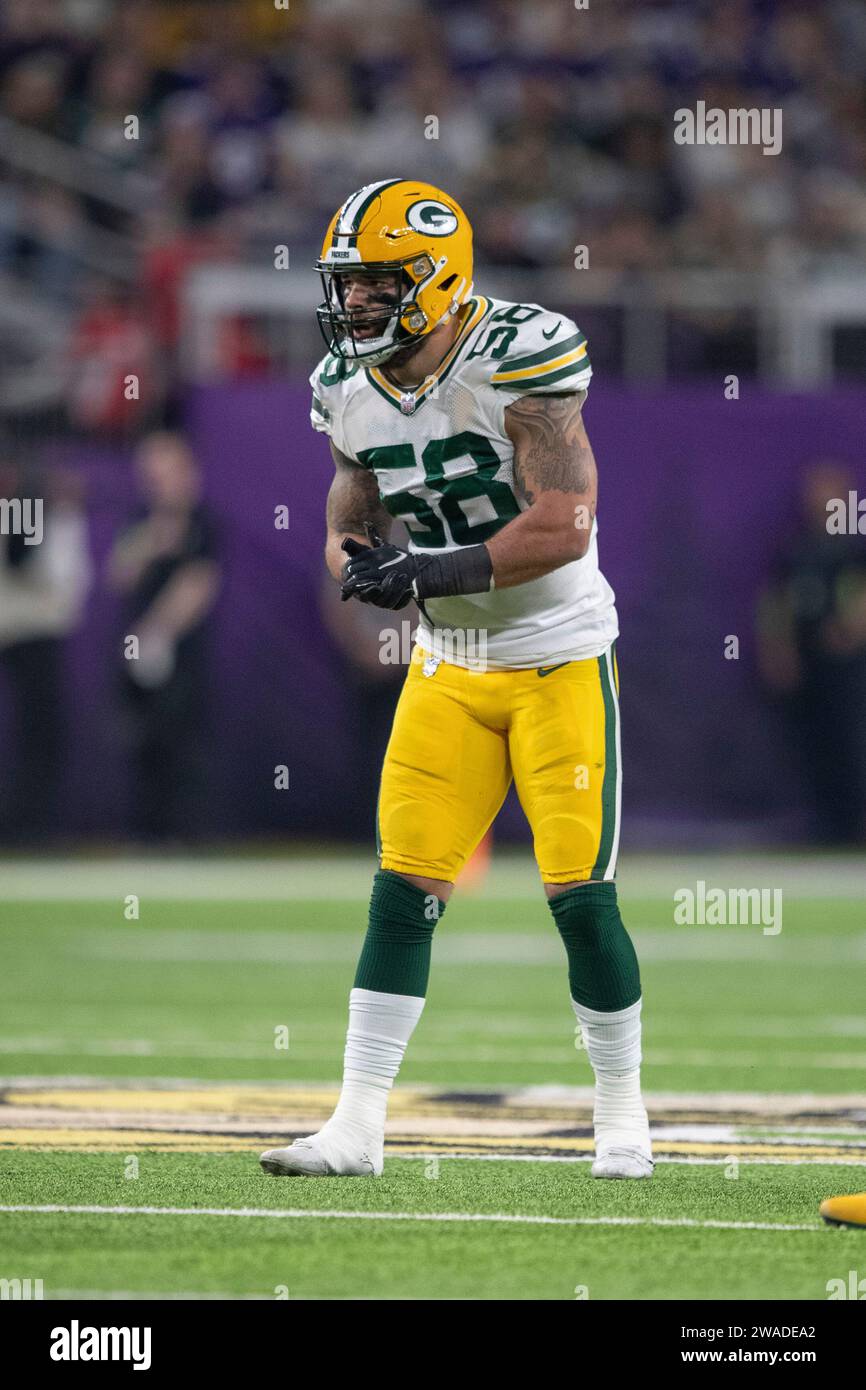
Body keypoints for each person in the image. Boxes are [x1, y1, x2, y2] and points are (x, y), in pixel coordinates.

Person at [261, 179, 651, 1181]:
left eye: (374, 284)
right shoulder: (347, 387)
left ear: (434, 280)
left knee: (579, 897)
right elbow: (347, 504)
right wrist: (353, 559)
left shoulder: (516, 358)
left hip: (557, 653)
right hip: (450, 665)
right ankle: (355, 1125)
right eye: (345, 285)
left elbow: (562, 523)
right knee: (401, 893)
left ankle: (621, 1117)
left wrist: (424, 573)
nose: (352, 305)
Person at [108, 432, 220, 840]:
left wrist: (158, 630)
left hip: (181, 654)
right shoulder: (141, 520)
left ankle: (185, 836)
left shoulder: (203, 522)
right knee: (141, 741)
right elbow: (118, 574)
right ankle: (146, 835)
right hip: (137, 653)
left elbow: (199, 585)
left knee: (184, 743)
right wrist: (151, 541)